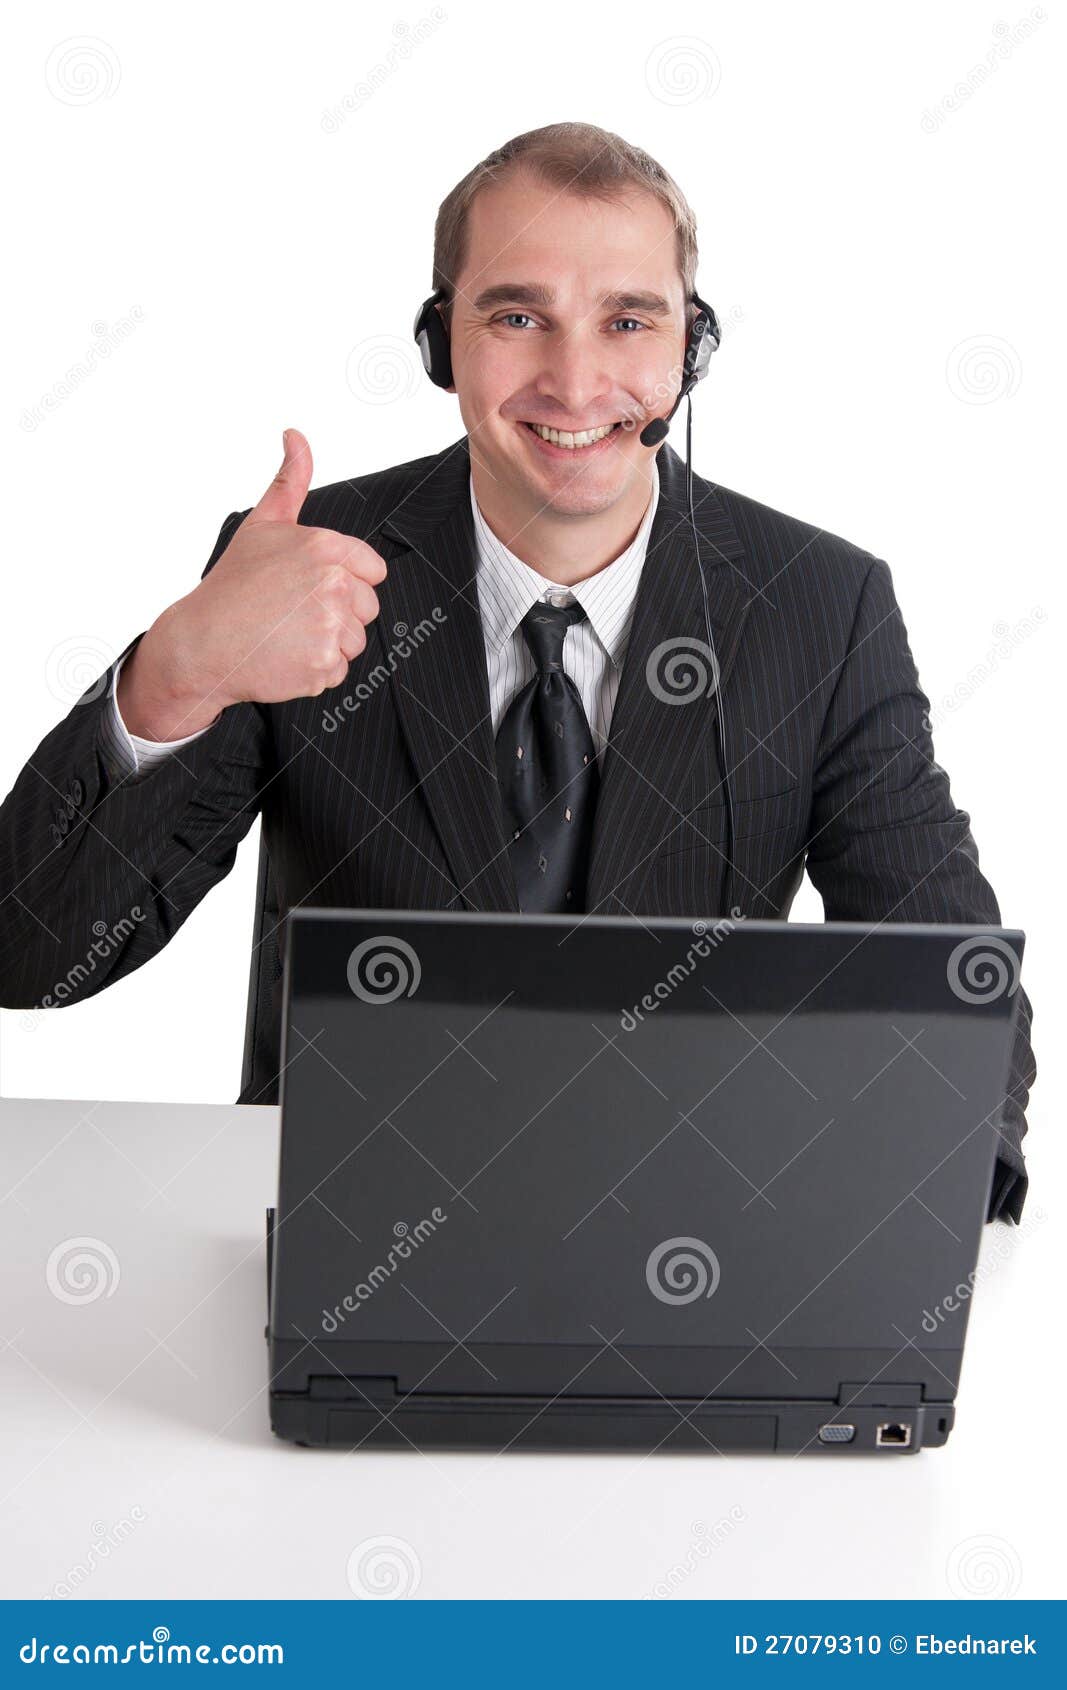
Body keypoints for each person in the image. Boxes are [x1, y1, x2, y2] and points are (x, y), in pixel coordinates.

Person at [0, 121, 1035, 1221]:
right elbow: (31, 955)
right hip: (352, 1231)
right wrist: (177, 669)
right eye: (516, 314)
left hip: (688, 1254)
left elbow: (954, 996)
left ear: (691, 344)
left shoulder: (822, 608)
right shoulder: (299, 573)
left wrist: (885, 1242)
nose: (574, 379)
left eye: (627, 319)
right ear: (440, 340)